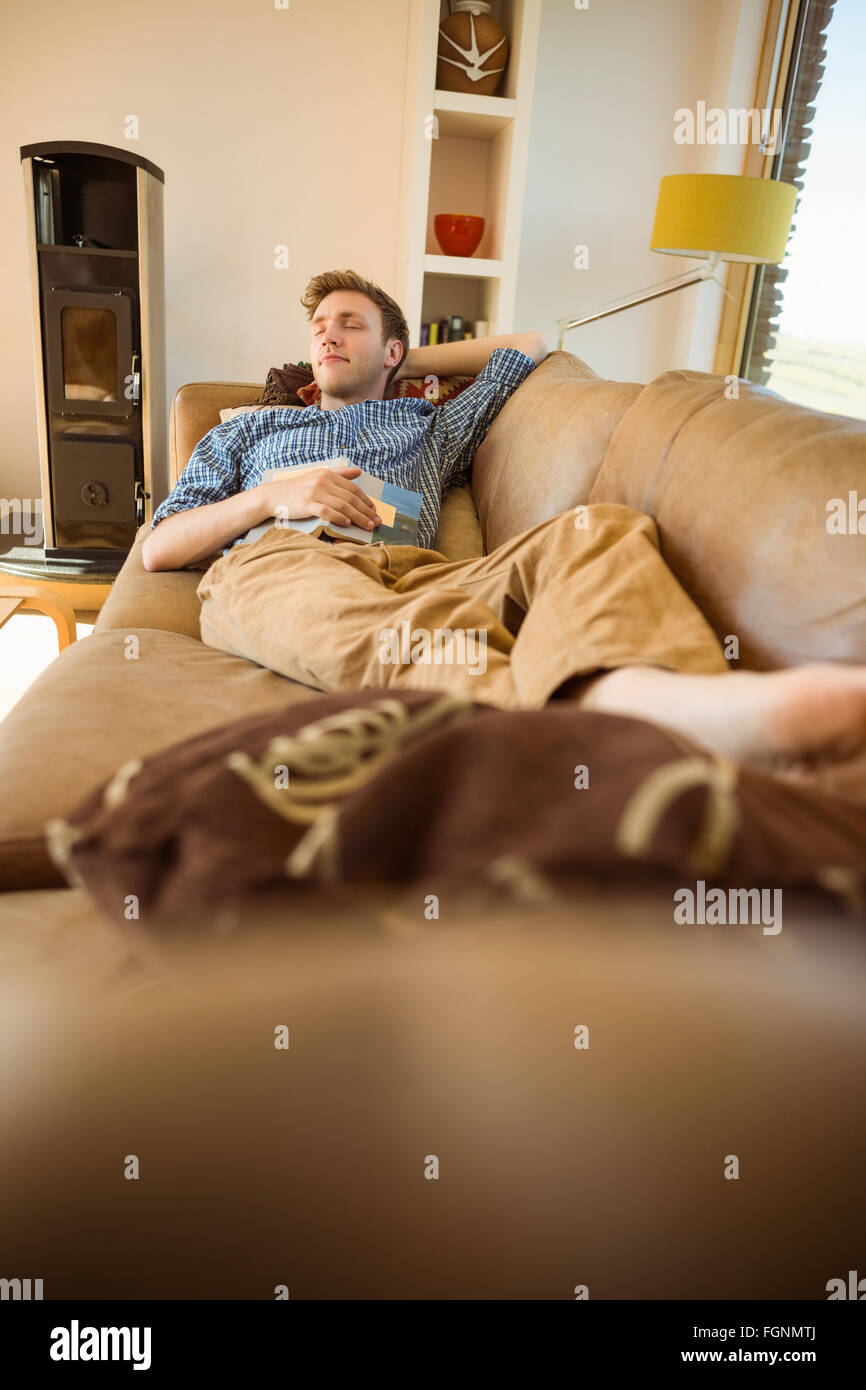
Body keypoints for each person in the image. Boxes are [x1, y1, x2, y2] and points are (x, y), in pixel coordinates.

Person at [142, 269, 866, 772]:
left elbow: (528, 346)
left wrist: (403, 364)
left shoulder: (431, 422)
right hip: (283, 562)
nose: (326, 337)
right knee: (385, 631)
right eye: (318, 328)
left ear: (393, 350)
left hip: (419, 572)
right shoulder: (248, 433)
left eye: (350, 326)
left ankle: (643, 693)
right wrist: (274, 496)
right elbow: (161, 549)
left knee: (601, 530)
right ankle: (635, 729)